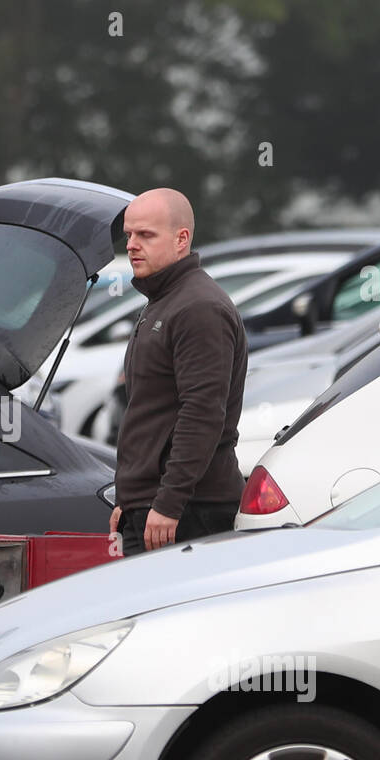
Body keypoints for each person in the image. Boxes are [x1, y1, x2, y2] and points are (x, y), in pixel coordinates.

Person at [108, 188, 247, 555]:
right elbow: (151, 412)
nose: (133, 245)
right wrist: (130, 499)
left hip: (188, 512)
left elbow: (202, 413)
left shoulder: (198, 307)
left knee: (170, 614)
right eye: (129, 235)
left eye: (146, 235)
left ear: (181, 238)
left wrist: (168, 502)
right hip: (152, 507)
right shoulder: (164, 299)